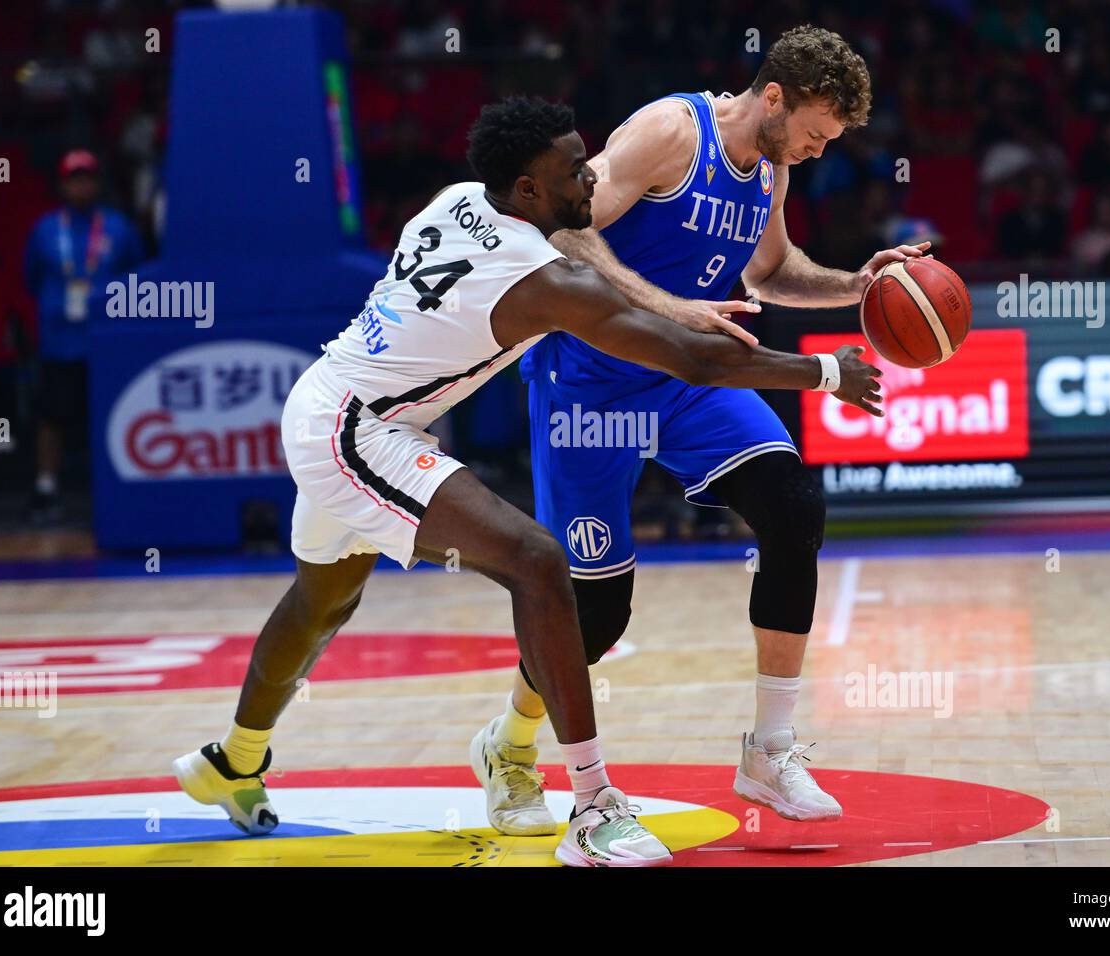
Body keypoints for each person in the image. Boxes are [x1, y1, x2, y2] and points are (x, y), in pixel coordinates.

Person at [173, 96, 884, 868]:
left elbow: (672, 321)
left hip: (338, 403)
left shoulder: (456, 200)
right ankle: (593, 806)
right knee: (539, 562)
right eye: (572, 171)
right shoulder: (545, 278)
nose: (591, 177)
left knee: (322, 601)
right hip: (355, 431)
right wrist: (822, 371)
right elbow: (696, 360)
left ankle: (234, 760)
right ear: (527, 191)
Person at [469, 26, 921, 837]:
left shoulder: (771, 169)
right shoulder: (673, 132)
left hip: (687, 381)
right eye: (815, 131)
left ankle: (769, 752)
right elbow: (568, 227)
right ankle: (509, 744)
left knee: (793, 507)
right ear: (774, 96)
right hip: (593, 387)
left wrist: (863, 283)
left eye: (827, 143)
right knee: (597, 617)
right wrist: (668, 307)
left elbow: (772, 273)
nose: (817, 152)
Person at [23, 149, 144, 520]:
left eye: (87, 177)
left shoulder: (118, 228)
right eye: (74, 178)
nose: (81, 184)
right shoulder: (45, 229)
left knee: (111, 415)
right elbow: (31, 278)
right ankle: (46, 488)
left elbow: (138, 280)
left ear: (97, 182)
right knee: (52, 416)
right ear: (62, 184)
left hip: (106, 344)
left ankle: (113, 490)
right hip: (60, 343)